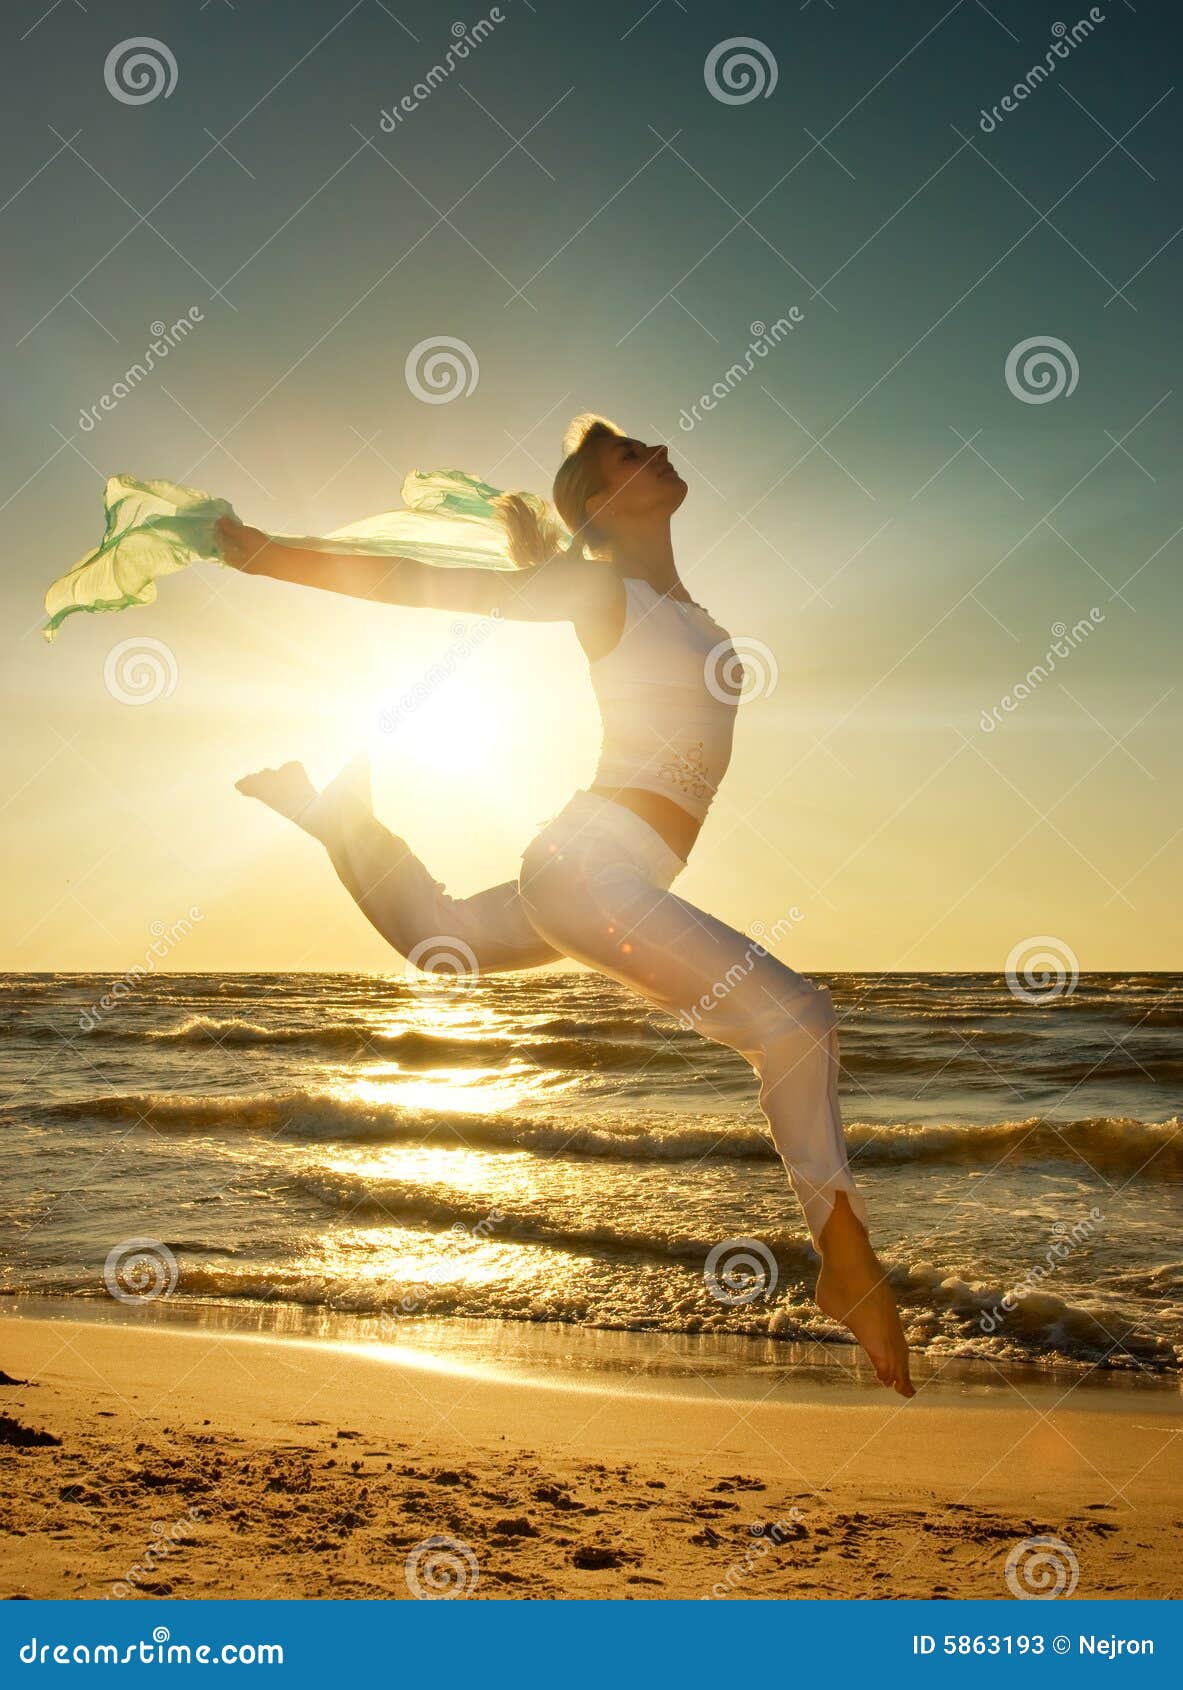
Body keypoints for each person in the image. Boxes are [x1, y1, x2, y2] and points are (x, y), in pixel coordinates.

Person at [215, 413, 914, 1396]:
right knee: (795, 1020)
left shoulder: (674, 600)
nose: (656, 448)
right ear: (599, 502)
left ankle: (334, 819)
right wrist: (264, 558)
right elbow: (421, 587)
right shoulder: (600, 587)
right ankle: (845, 1263)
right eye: (630, 453)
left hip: (607, 873)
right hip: (589, 866)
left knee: (438, 935)